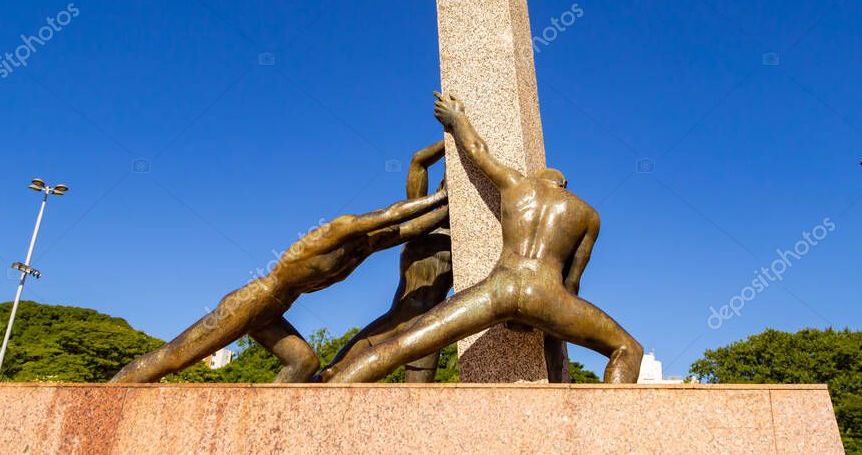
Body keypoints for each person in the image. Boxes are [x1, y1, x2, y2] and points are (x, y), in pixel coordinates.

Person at [326, 92, 642, 384]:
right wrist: (550, 323)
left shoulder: (518, 185)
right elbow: (571, 284)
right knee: (629, 349)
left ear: (538, 178)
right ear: (564, 186)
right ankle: (607, 419)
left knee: (402, 345)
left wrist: (456, 117)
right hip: (547, 296)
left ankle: (326, 397)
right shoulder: (588, 215)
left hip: (500, 288)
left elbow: (477, 151)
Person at [110, 173, 448, 384]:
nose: (387, 235)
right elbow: (393, 214)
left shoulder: (364, 247)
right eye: (383, 229)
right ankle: (113, 392)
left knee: (304, 363)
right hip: (253, 300)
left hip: (274, 311)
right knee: (176, 356)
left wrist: (447, 211)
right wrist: (442, 198)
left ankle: (269, 418)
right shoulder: (342, 228)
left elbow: (408, 229)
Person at [319, 140, 452, 382]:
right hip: (392, 324)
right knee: (331, 375)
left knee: (418, 401)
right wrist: (452, 140)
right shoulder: (420, 222)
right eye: (447, 183)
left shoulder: (462, 241)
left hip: (427, 331)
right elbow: (419, 161)